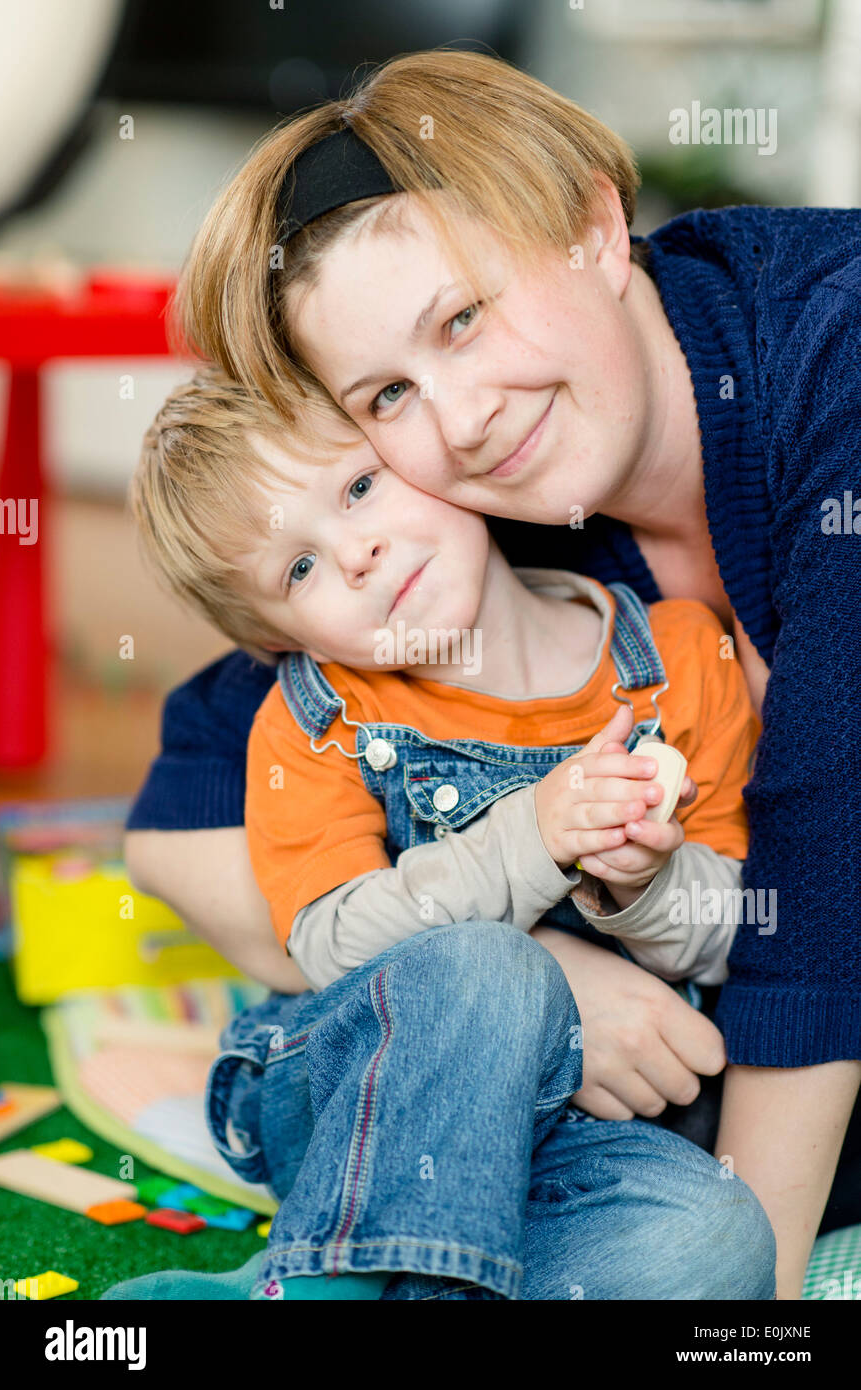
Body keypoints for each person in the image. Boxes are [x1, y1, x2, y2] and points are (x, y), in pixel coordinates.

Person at [129, 51, 861, 1297]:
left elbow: (821, 906)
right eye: (387, 391)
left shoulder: (823, 366)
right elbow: (182, 808)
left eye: (462, 317)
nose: (462, 417)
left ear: (592, 220)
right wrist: (521, 982)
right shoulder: (472, 507)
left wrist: (761, 1294)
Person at [120, 365, 773, 1301]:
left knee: (717, 1237)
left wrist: (644, 888)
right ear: (276, 639)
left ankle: (316, 1287)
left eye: (357, 487)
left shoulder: (677, 658)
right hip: (360, 1095)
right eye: (298, 568)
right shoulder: (315, 719)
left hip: (580, 1141)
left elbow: (737, 932)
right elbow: (332, 942)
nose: (358, 554)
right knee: (487, 967)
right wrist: (532, 841)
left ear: (425, 452)